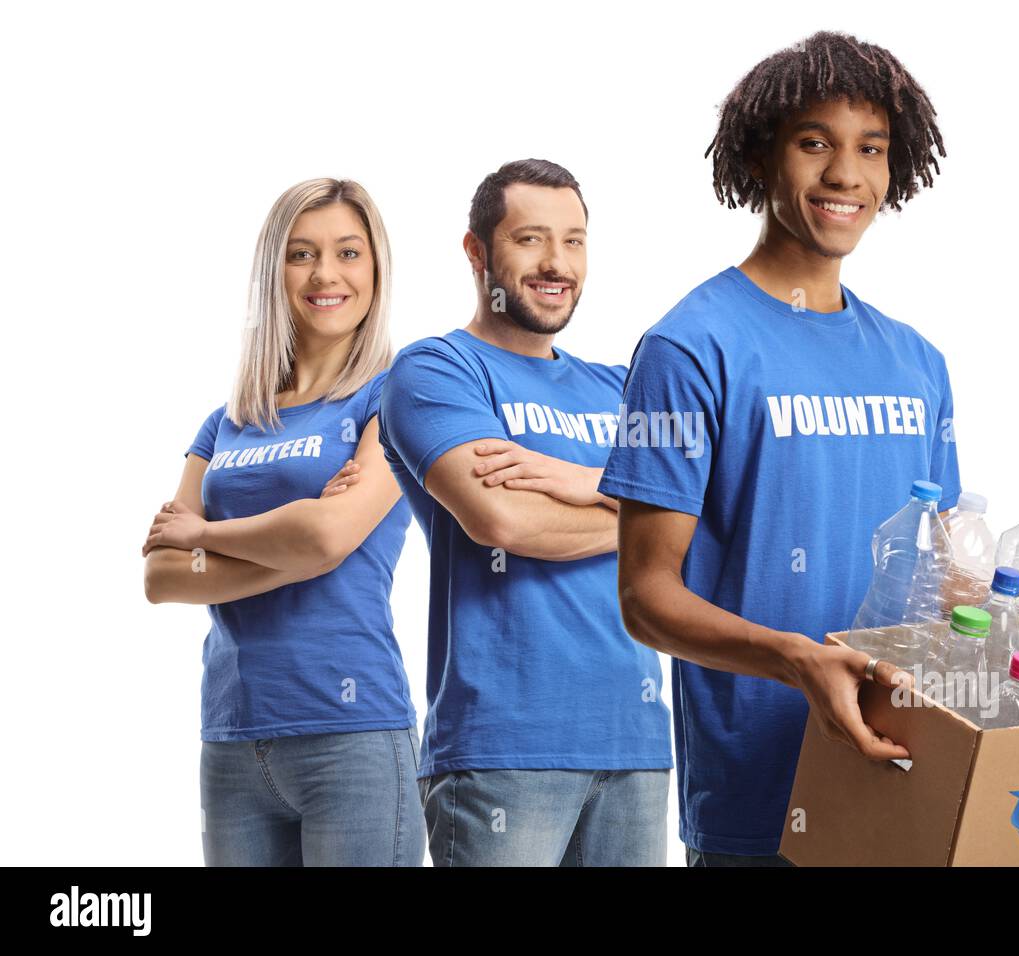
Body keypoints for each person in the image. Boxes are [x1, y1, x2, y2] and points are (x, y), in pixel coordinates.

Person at [597, 31, 962, 866]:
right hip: (761, 807)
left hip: (909, 781)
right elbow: (647, 596)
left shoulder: (919, 361)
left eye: (871, 148)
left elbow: (941, 577)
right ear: (762, 158)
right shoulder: (691, 348)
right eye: (815, 144)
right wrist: (798, 662)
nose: (846, 175)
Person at [379, 159, 672, 866]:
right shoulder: (437, 370)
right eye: (531, 239)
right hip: (502, 749)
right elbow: (503, 522)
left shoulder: (622, 386)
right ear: (477, 253)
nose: (556, 263)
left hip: (636, 743)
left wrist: (575, 478)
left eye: (574, 241)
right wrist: (638, 507)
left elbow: (713, 513)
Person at [142, 178, 424, 866]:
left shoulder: (398, 396)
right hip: (233, 738)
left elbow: (326, 538)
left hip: (350, 736)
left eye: (348, 253)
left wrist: (205, 535)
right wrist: (297, 536)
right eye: (301, 254)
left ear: (376, 269)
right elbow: (162, 575)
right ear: (275, 271)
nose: (326, 274)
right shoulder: (229, 420)